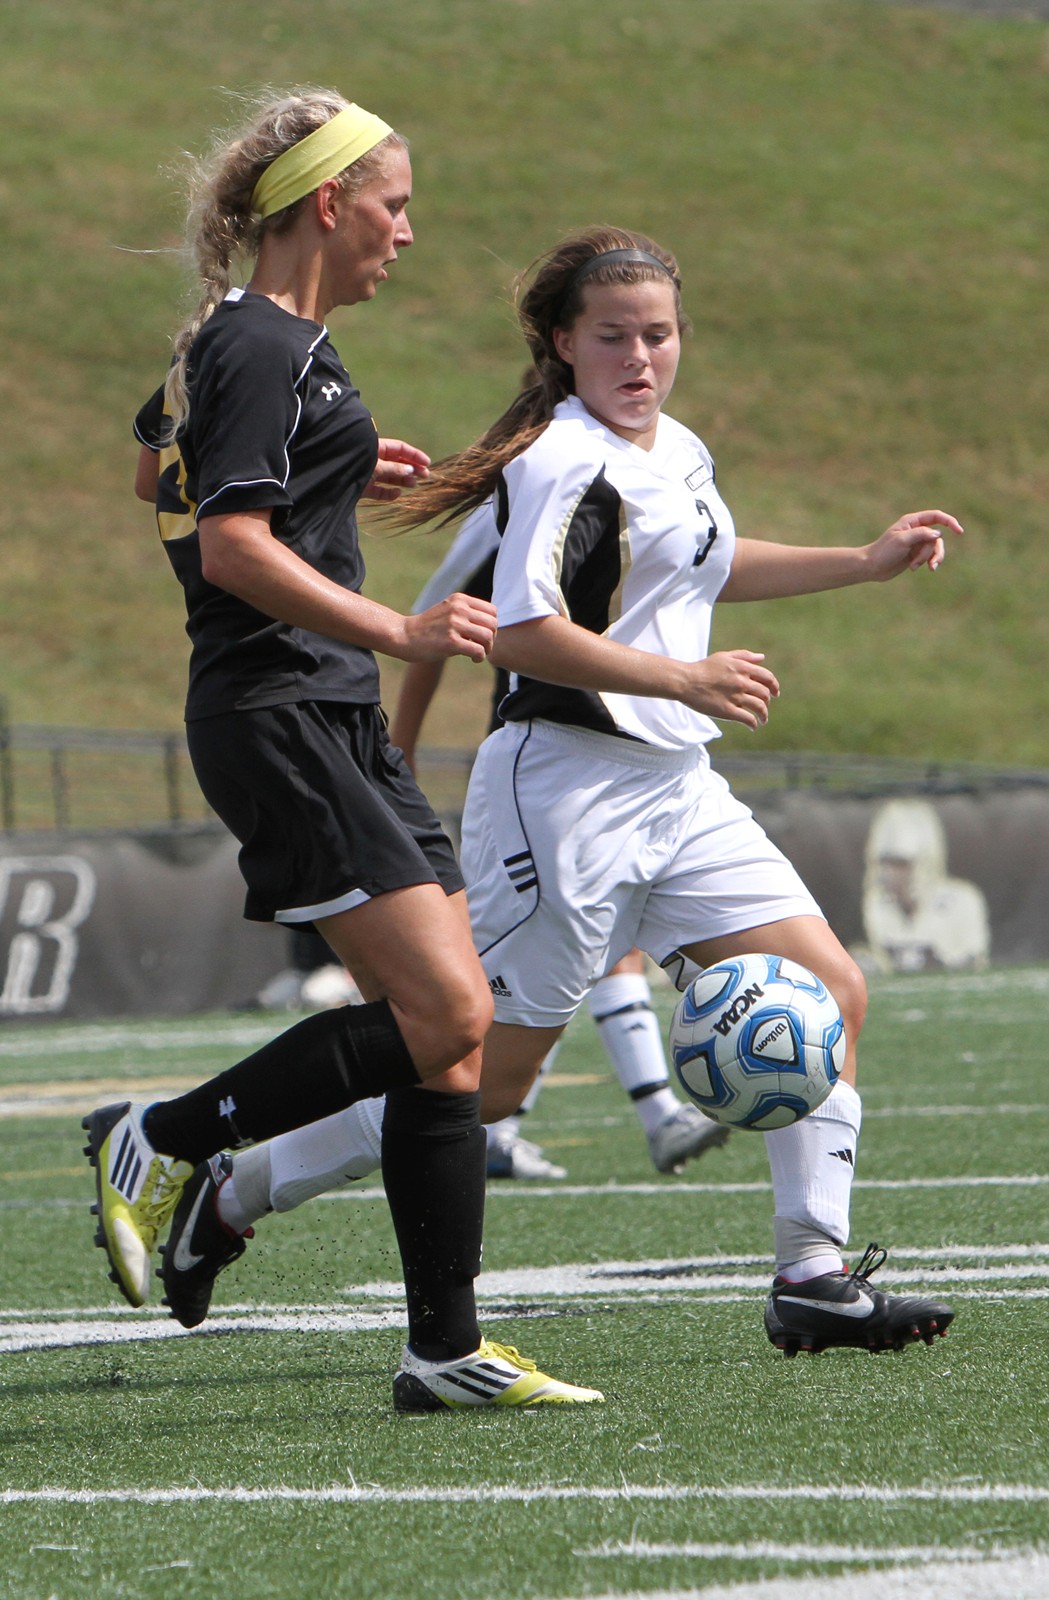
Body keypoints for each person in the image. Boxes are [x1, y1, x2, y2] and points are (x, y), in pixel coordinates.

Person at [161, 222, 960, 1358]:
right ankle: (228, 1195)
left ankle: (811, 1273)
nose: (641, 358)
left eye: (660, 334)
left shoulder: (673, 448)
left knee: (828, 990)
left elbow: (703, 560)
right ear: (558, 342)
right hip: (564, 798)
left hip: (676, 789)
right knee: (473, 1082)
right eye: (614, 337)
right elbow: (528, 632)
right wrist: (682, 673)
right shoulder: (555, 457)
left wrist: (858, 560)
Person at [81, 89, 602, 1412]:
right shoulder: (262, 344)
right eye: (393, 204)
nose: (406, 234)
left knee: (450, 1046)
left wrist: (328, 470)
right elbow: (227, 544)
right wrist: (400, 622)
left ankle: (443, 1351)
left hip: (325, 715)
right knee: (449, 1012)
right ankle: (160, 1138)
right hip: (285, 711)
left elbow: (161, 471)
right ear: (328, 205)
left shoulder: (267, 347)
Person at [390, 497, 730, 1180]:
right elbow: (431, 621)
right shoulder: (515, 502)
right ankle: (253, 1158)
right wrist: (402, 744)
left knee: (594, 954)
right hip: (543, 770)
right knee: (519, 979)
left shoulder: (652, 479)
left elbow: (709, 566)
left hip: (643, 768)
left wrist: (860, 564)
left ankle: (635, 1115)